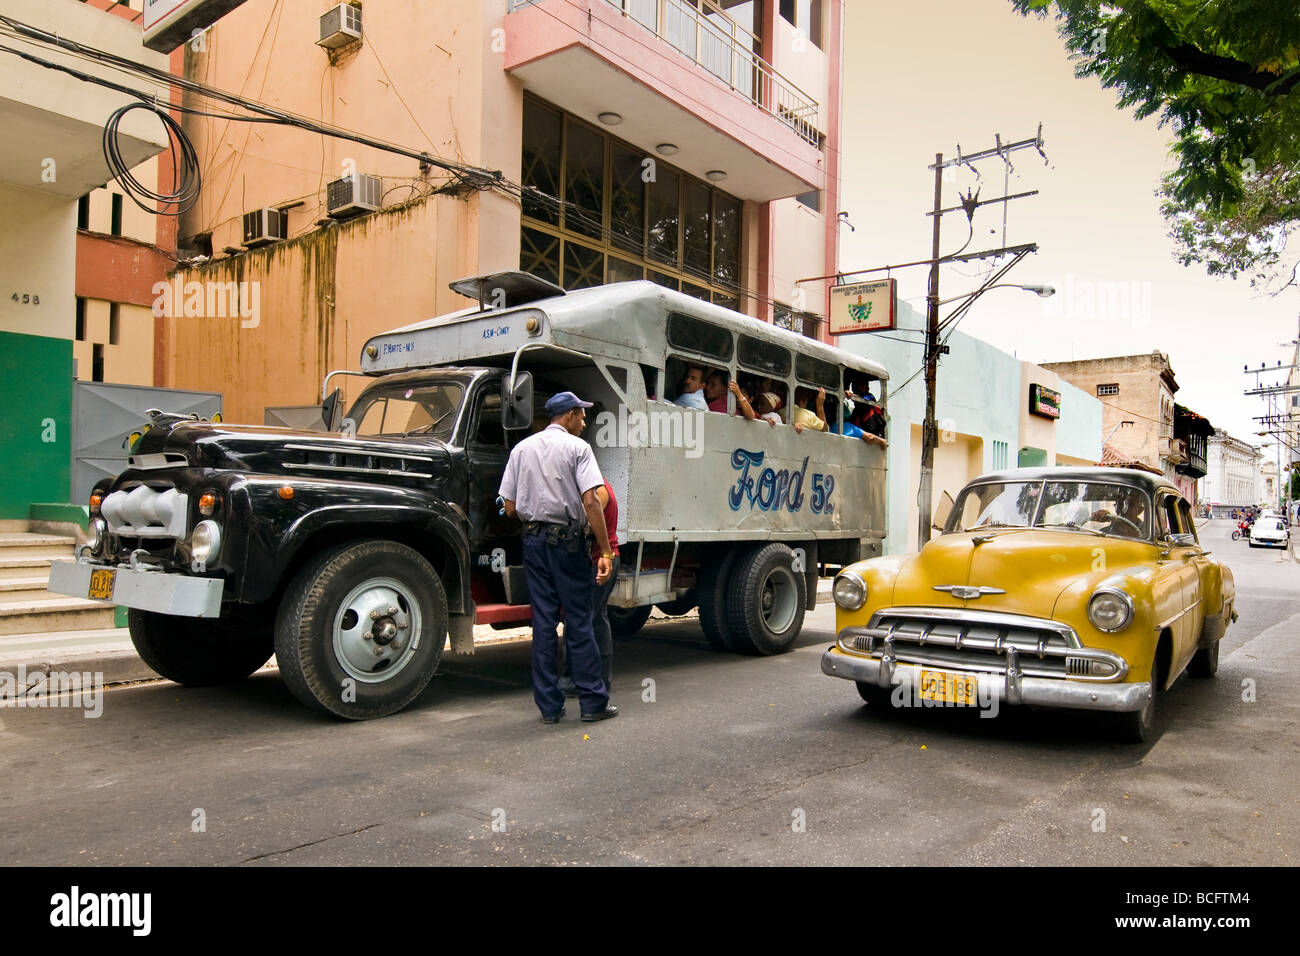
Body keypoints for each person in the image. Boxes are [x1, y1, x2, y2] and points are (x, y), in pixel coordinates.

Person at [499, 391, 618, 724]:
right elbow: (592, 501)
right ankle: (593, 703)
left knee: (544, 624)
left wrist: (533, 511)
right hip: (567, 545)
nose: (584, 421)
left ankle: (549, 708)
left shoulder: (521, 449)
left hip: (533, 543)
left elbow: (508, 506)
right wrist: (605, 549)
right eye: (581, 415)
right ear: (568, 416)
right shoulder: (578, 449)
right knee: (579, 622)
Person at [558, 479, 619, 697]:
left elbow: (588, 525)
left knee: (583, 619)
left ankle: (578, 680)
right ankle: (592, 680)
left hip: (599, 560)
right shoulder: (595, 488)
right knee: (593, 618)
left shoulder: (598, 491)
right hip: (599, 559)